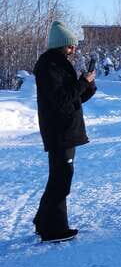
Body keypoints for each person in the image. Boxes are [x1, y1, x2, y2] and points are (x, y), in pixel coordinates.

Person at [32, 21, 97, 242]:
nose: (74, 49)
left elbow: (74, 100)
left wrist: (88, 85)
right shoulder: (49, 66)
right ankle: (54, 230)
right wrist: (81, 83)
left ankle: (42, 223)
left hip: (66, 129)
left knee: (58, 178)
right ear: (61, 45)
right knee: (61, 180)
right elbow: (61, 100)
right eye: (70, 46)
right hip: (60, 131)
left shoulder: (58, 63)